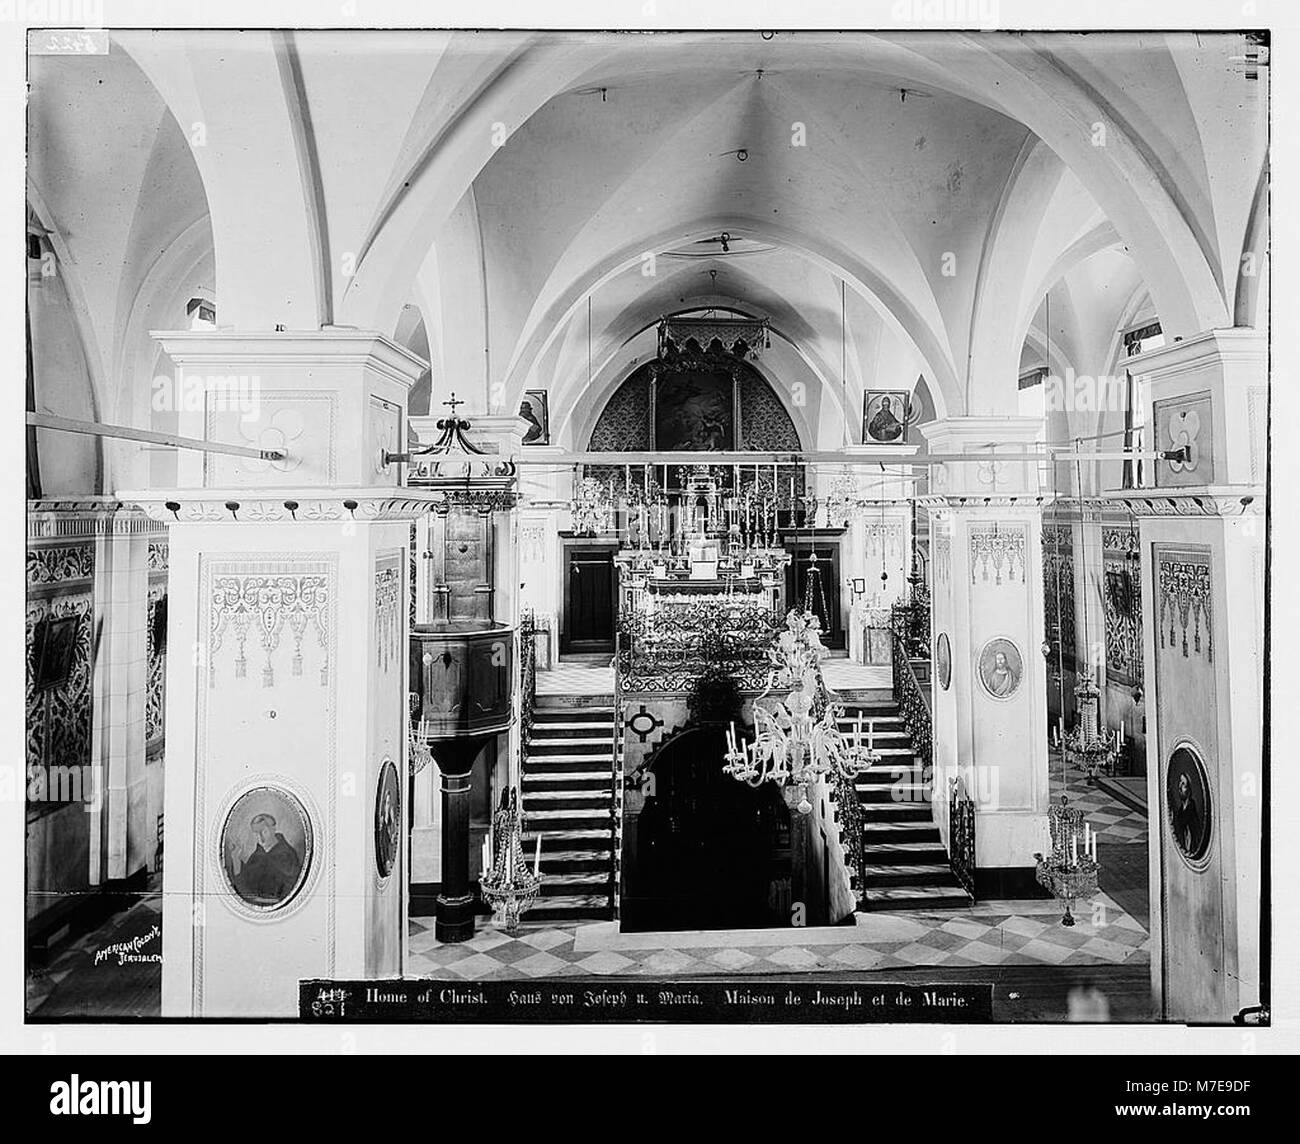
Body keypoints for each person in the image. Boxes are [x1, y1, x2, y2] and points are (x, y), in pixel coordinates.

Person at [228, 813, 302, 903]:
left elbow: (294, 887)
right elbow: (244, 886)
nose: (261, 838)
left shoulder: (287, 855)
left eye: (264, 832)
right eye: (256, 834)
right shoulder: (257, 855)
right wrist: (235, 857)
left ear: (273, 829)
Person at [1171, 770, 1202, 855]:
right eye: (1180, 782)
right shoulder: (1181, 808)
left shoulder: (1191, 807)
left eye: (1184, 784)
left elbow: (1182, 823)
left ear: (1189, 790)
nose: (1180, 787)